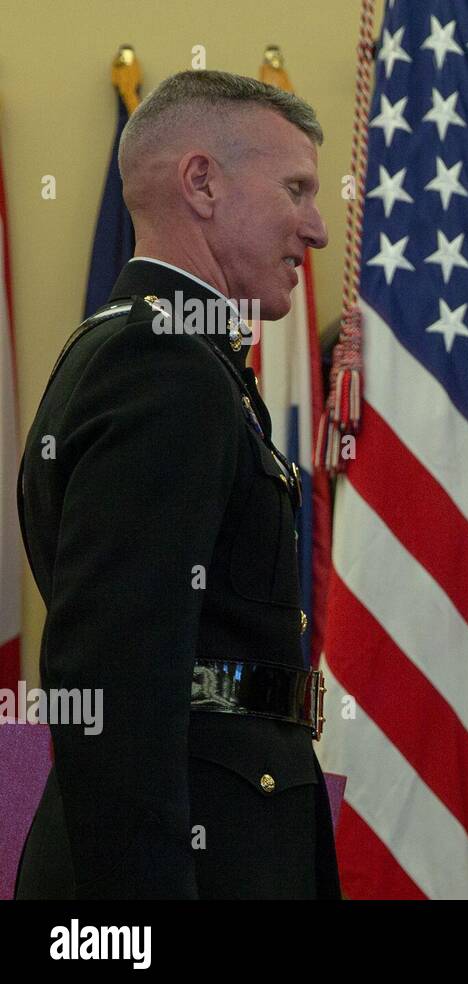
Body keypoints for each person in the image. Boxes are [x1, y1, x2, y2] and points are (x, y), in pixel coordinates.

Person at [15, 70, 337, 898]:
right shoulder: (165, 365)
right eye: (296, 188)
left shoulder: (162, 353)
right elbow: (115, 677)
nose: (317, 228)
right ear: (202, 183)